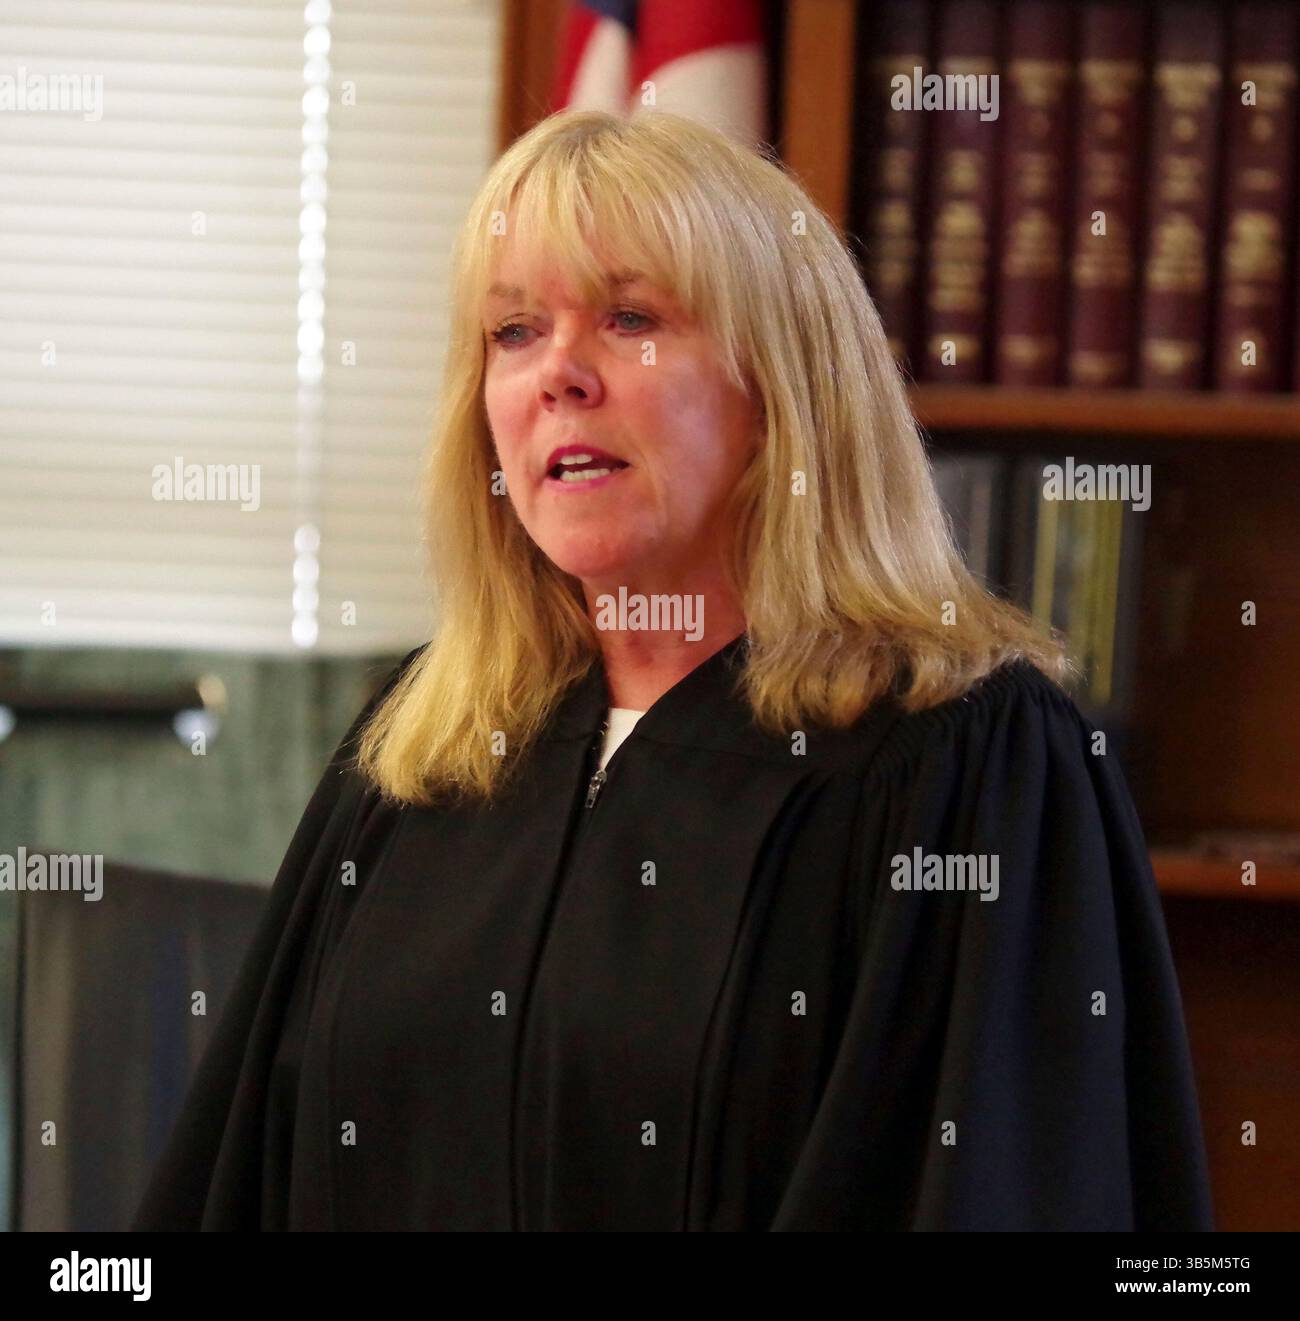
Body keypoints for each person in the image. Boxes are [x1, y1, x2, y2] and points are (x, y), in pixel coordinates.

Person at [131, 108, 1214, 1232]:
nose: (558, 374)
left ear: (784, 389)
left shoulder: (959, 761)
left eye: (630, 316)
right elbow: (237, 1181)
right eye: (512, 331)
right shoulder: (422, 748)